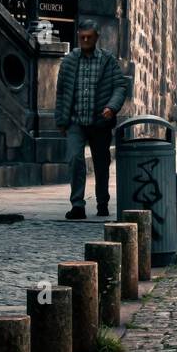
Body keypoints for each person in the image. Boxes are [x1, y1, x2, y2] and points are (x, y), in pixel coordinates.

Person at [55, 21, 129, 220]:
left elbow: (120, 86)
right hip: (75, 121)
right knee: (75, 159)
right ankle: (77, 205)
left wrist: (111, 108)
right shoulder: (69, 61)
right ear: (78, 36)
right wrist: (61, 121)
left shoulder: (107, 60)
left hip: (99, 122)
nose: (85, 40)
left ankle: (102, 202)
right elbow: (61, 92)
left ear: (96, 37)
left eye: (89, 37)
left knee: (101, 164)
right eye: (82, 37)